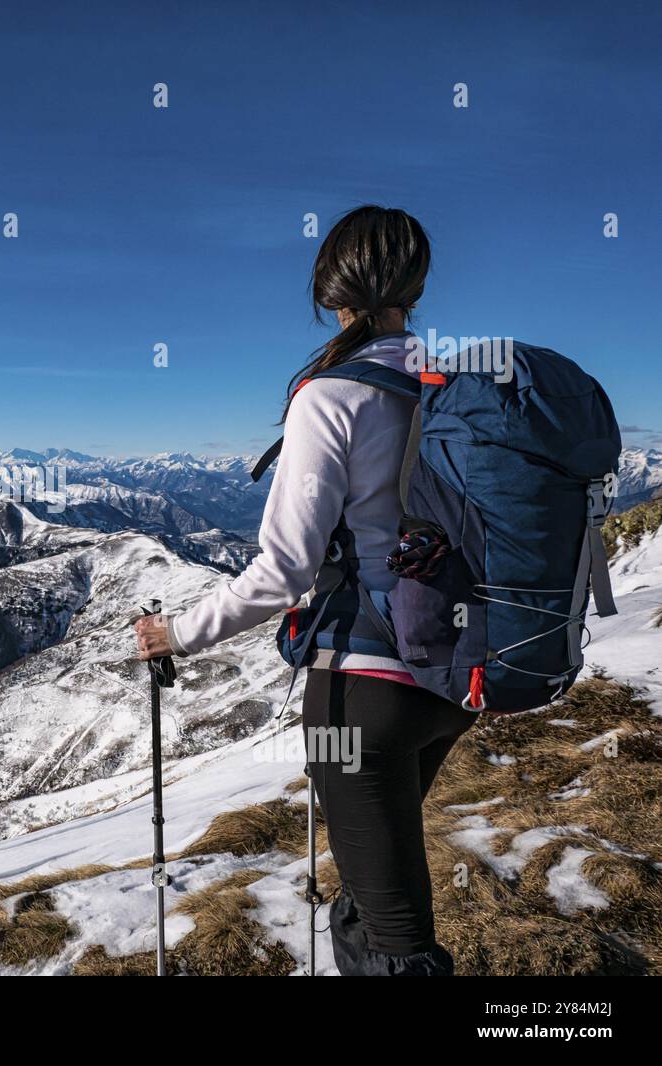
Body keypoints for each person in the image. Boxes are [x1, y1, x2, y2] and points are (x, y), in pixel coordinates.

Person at [134, 205, 475, 976]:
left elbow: (283, 572)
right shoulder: (451, 385)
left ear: (331, 293)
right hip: (453, 681)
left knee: (396, 939)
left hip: (360, 700)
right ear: (416, 287)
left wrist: (175, 634)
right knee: (371, 885)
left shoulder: (331, 396)